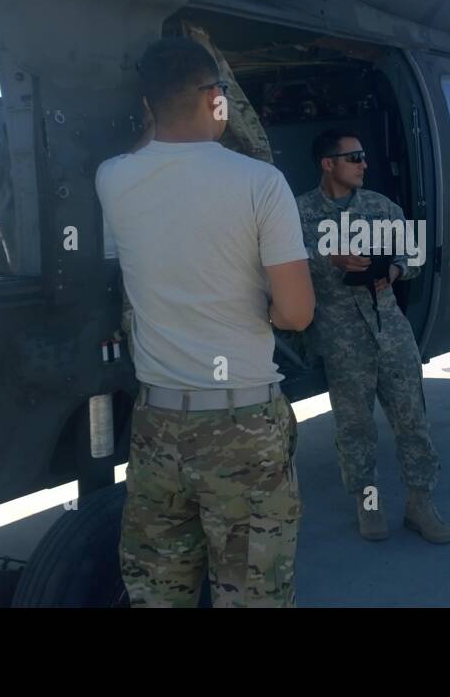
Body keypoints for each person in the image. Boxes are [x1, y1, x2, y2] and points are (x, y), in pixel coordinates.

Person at [96, 37, 314, 607]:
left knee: (158, 591)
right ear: (217, 99)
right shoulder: (260, 183)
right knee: (252, 593)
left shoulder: (113, 180)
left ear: (147, 106)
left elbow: (153, 153)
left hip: (157, 424)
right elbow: (296, 313)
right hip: (242, 424)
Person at [294, 130, 450, 544]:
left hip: (391, 331)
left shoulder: (382, 207)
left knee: (413, 421)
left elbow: (413, 257)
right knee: (355, 428)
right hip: (339, 337)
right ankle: (367, 504)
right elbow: (279, 263)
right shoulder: (298, 212)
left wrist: (393, 272)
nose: (365, 164)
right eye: (354, 157)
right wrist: (327, 257)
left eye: (364, 156)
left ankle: (421, 503)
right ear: (328, 163)